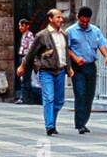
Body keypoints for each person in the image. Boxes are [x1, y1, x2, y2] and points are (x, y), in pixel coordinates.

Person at [17, 8, 75, 136]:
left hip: (60, 71)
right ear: (50, 19)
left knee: (59, 100)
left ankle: (52, 122)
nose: (61, 19)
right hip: (46, 71)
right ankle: (49, 125)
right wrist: (22, 66)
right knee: (49, 97)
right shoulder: (41, 35)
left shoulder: (64, 35)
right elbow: (31, 53)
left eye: (61, 17)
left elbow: (65, 53)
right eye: (58, 17)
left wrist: (69, 68)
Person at [66, 6, 107, 134]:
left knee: (89, 95)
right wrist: (76, 58)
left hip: (91, 66)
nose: (84, 24)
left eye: (87, 21)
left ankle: (84, 121)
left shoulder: (95, 30)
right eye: (82, 21)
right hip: (78, 67)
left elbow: (101, 44)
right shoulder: (70, 31)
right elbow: (67, 49)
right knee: (80, 94)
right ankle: (79, 124)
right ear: (78, 18)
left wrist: (106, 57)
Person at [15, 18, 35, 105]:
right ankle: (24, 97)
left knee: (25, 78)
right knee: (23, 78)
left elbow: (30, 49)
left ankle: (25, 98)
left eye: (22, 26)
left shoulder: (30, 35)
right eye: (20, 25)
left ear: (27, 26)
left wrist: (25, 60)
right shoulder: (23, 35)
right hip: (22, 57)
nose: (20, 27)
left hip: (26, 59)